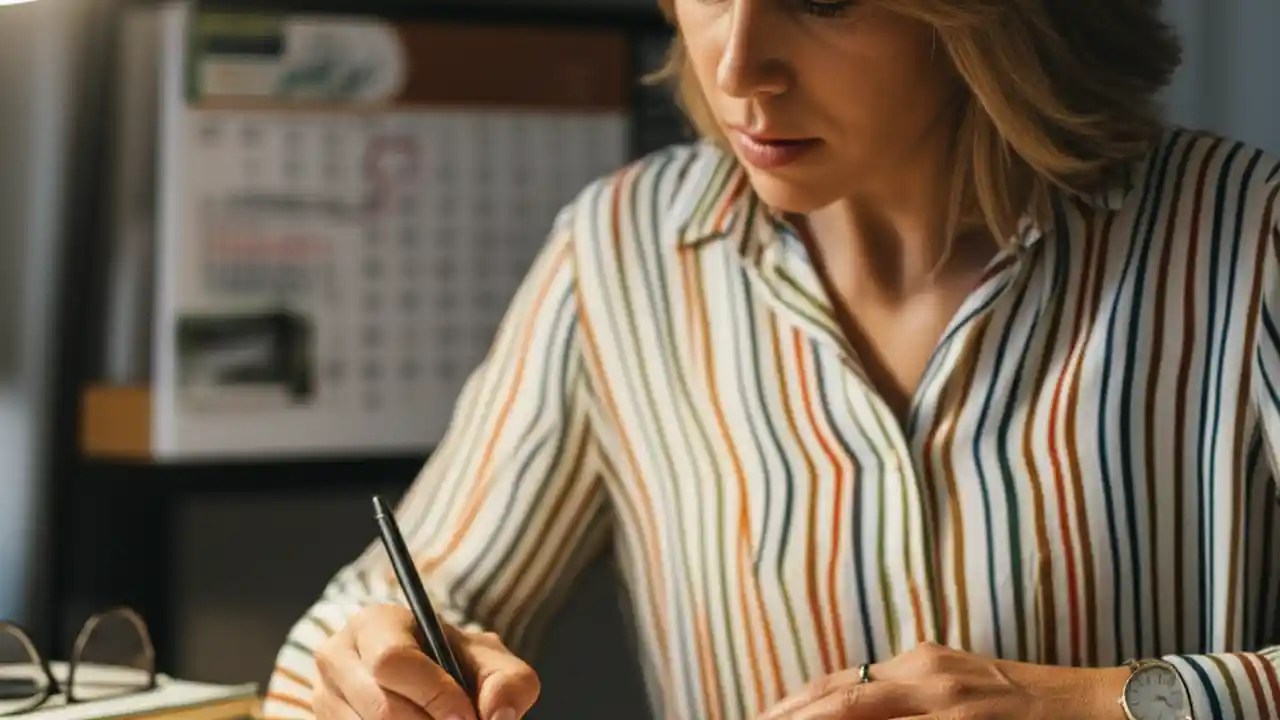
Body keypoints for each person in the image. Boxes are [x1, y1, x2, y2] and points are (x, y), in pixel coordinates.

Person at [265, 1, 1280, 718]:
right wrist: (377, 671)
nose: (736, 65)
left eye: (821, 0)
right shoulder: (622, 251)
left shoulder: (1245, 234)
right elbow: (366, 622)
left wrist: (1105, 703)